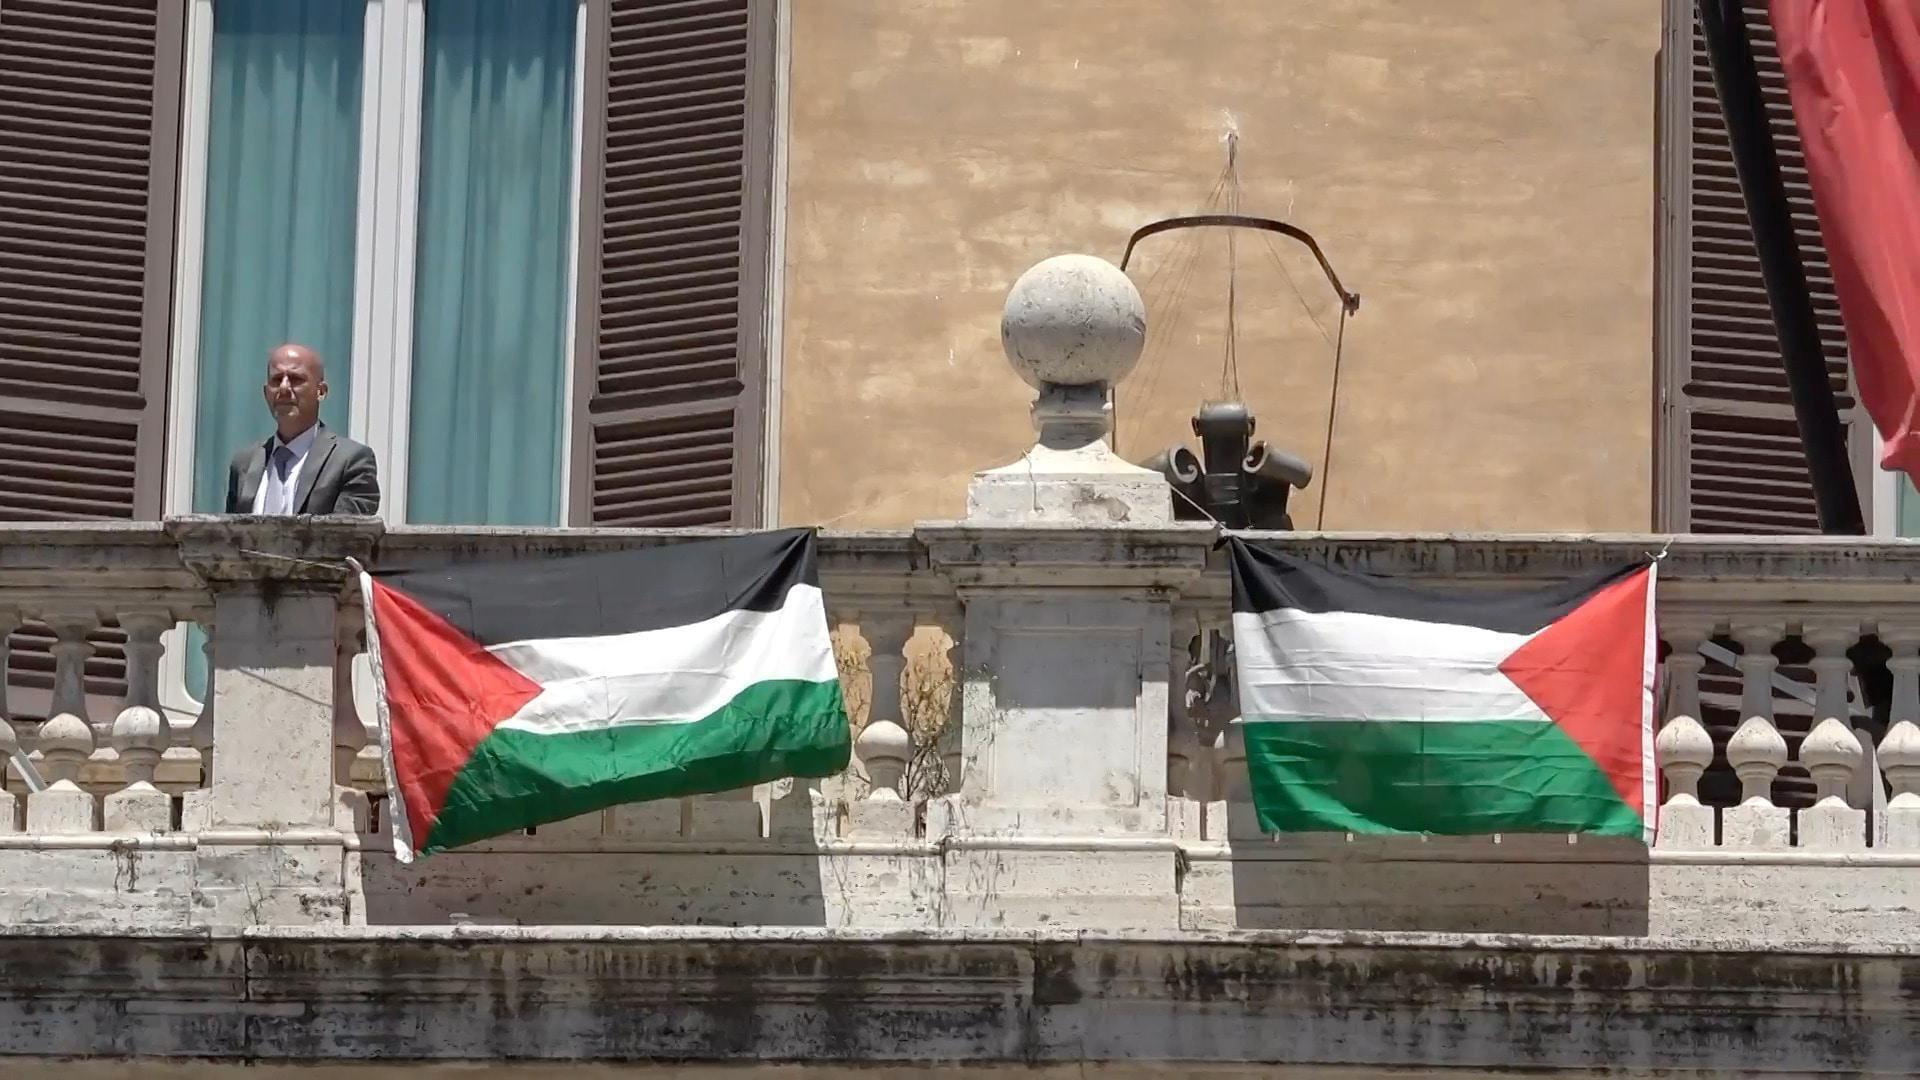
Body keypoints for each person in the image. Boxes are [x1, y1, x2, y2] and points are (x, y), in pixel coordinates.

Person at [224, 343, 380, 516]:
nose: (284, 388)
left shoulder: (351, 461)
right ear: (265, 392)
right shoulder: (244, 463)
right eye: (276, 380)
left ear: (320, 391)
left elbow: (346, 536)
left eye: (295, 379)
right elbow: (231, 536)